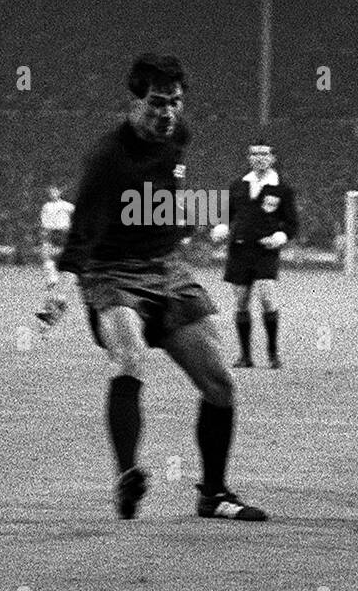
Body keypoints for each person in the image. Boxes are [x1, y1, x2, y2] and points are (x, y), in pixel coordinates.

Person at [42, 53, 268, 522]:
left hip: (166, 270)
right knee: (129, 358)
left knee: (219, 382)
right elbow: (83, 229)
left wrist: (192, 218)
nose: (167, 113)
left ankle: (214, 494)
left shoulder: (177, 136)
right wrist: (61, 287)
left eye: (176, 102)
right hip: (112, 273)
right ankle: (128, 476)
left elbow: (156, 200)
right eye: (157, 103)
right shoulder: (107, 158)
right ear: (135, 101)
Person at [210, 143, 298, 368]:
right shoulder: (238, 186)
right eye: (255, 154)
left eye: (264, 154)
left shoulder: (282, 189)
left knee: (267, 296)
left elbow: (292, 224)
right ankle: (245, 356)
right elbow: (225, 215)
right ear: (249, 158)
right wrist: (221, 227)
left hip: (265, 251)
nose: (259, 158)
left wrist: (280, 236)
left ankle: (272, 354)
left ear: (273, 158)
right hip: (239, 250)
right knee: (241, 302)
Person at [34, 186, 75, 327]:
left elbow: (77, 216)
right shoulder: (47, 206)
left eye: (55, 190)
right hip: (52, 234)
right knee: (49, 260)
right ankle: (54, 303)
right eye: (50, 191)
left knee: (65, 268)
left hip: (64, 234)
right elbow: (44, 224)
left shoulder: (67, 206)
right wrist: (45, 236)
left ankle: (55, 305)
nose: (53, 193)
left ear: (59, 192)